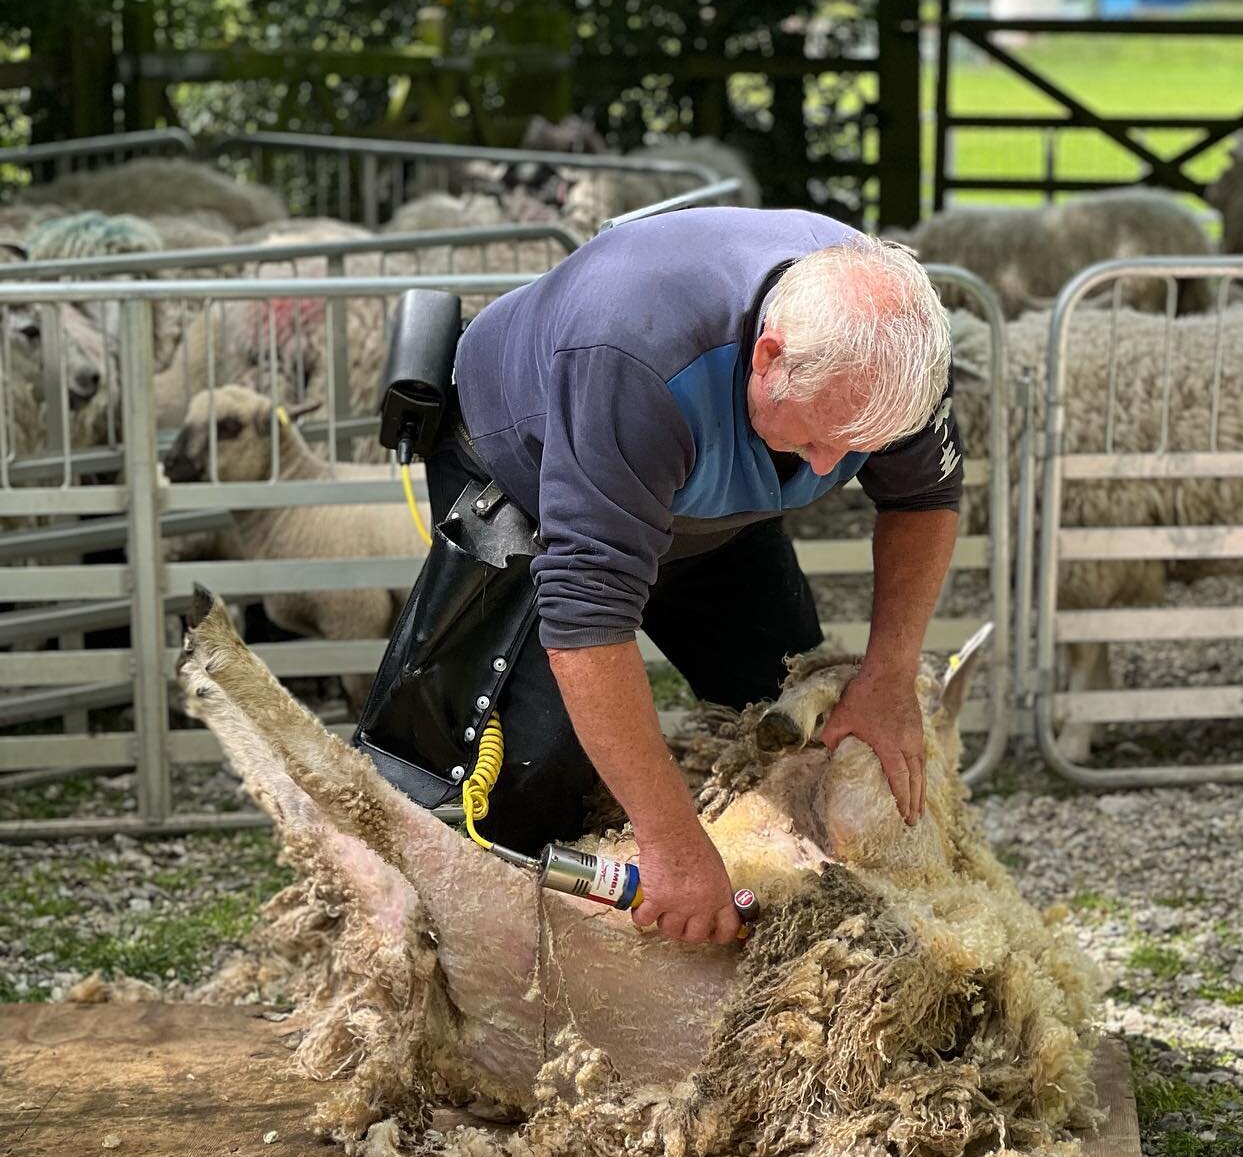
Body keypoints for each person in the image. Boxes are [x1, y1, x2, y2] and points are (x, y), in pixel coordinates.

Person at [358, 206, 962, 947]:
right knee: (515, 785)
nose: (831, 467)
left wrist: (890, 676)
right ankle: (461, 962)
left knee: (786, 727)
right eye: (819, 435)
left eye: (857, 448)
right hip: (529, 478)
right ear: (770, 356)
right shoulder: (635, 357)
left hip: (714, 503)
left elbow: (923, 498)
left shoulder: (893, 352)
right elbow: (586, 625)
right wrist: (672, 845)